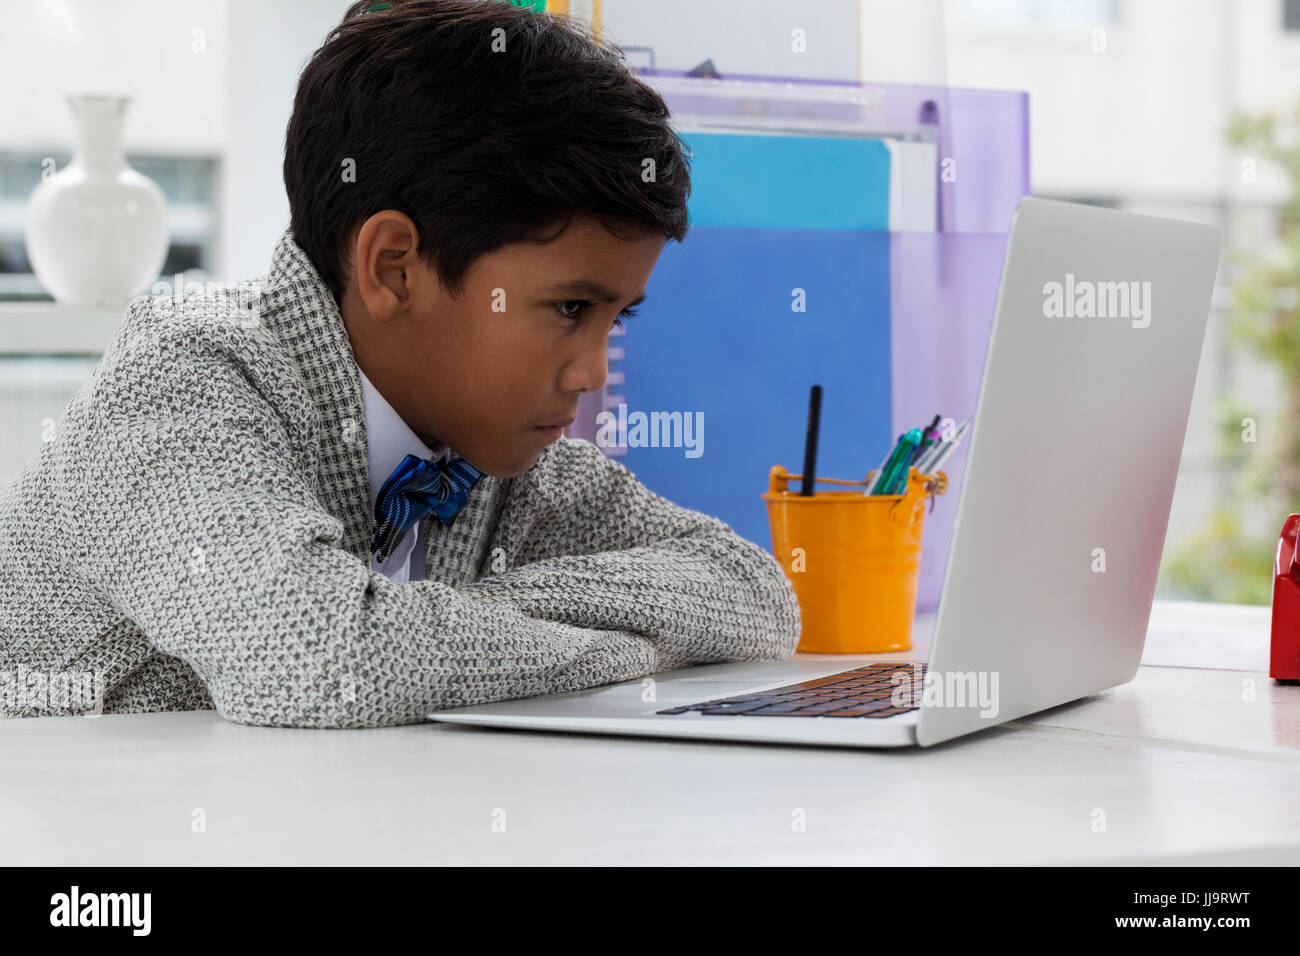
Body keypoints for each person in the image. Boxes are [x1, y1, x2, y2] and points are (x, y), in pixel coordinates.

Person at [0, 0, 800, 727]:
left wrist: (427, 624)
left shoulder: (492, 449)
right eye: (568, 310)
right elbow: (318, 661)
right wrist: (626, 644)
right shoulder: (182, 380)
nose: (592, 371)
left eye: (616, 318)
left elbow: (753, 595)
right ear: (393, 268)